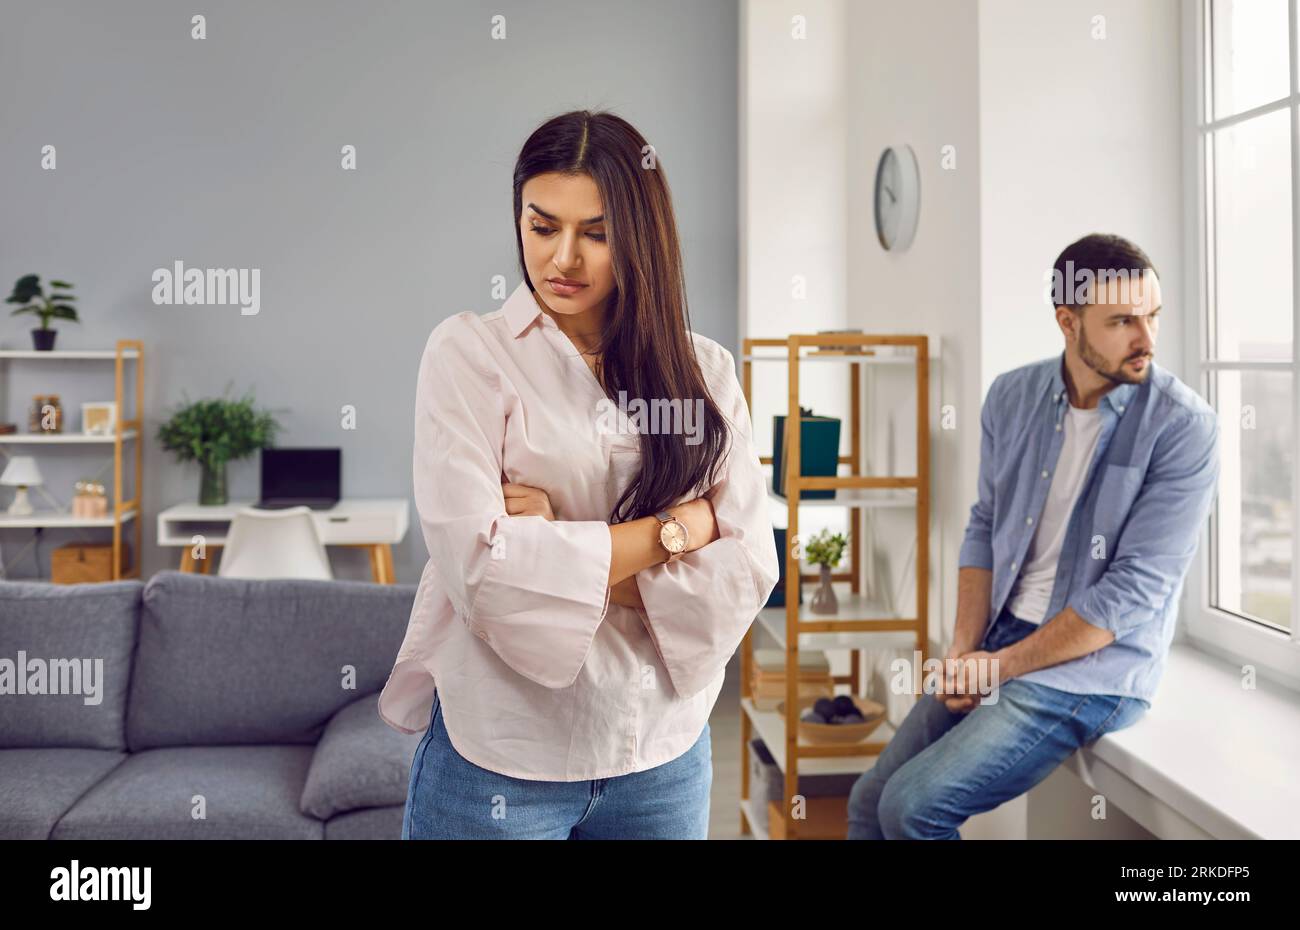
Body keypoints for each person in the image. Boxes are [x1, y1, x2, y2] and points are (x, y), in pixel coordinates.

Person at [379, 110, 779, 839]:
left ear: (641, 236)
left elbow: (747, 573)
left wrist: (557, 539)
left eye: (596, 233)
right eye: (542, 226)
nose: (563, 258)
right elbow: (480, 571)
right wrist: (677, 533)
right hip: (499, 760)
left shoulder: (706, 373)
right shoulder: (469, 355)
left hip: (661, 754)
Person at [846, 233, 1220, 840]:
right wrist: (966, 652)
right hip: (1000, 639)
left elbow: (1131, 593)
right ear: (1067, 321)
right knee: (868, 801)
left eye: (1153, 315)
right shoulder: (1011, 397)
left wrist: (1001, 667)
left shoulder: (1183, 427)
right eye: (1123, 320)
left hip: (1093, 667)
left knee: (911, 807)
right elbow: (985, 526)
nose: (1147, 339)